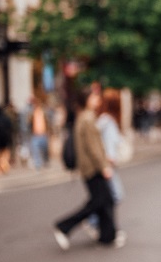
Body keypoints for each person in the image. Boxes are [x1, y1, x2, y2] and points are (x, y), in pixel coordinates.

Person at [53, 87, 125, 250]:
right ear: (86, 99)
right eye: (94, 97)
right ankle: (64, 226)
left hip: (89, 167)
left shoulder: (83, 117)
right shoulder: (88, 118)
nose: (97, 99)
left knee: (105, 200)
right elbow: (94, 147)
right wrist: (104, 166)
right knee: (99, 201)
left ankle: (107, 236)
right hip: (93, 168)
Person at [84, 88, 128, 238]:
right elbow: (109, 149)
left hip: (103, 165)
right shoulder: (108, 122)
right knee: (114, 195)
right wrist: (110, 162)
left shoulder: (102, 119)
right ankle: (94, 221)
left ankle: (104, 226)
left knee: (107, 197)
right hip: (107, 166)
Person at [0, 106, 14, 175]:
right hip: (5, 140)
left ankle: (1, 167)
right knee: (4, 155)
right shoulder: (6, 119)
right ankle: (3, 167)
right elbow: (10, 128)